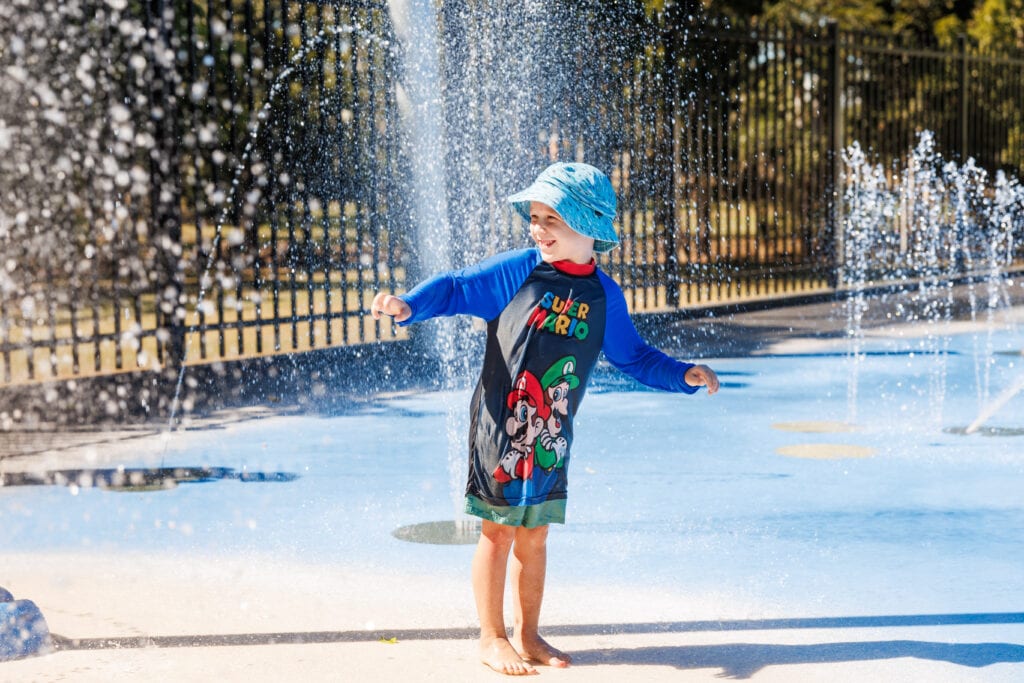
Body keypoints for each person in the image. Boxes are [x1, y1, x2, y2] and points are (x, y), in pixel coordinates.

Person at [370, 162, 719, 676]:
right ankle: (491, 637)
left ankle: (527, 634)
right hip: (501, 427)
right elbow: (456, 288)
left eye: (550, 218)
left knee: (535, 535)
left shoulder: (604, 297)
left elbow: (635, 357)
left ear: (589, 225)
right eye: (533, 217)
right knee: (497, 531)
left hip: (552, 435)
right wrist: (409, 305)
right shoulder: (518, 271)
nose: (537, 228)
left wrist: (682, 374)